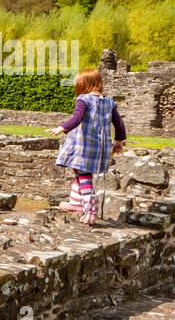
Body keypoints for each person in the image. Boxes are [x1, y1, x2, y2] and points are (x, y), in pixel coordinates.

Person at [47, 68, 126, 225]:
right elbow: (119, 124)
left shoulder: (84, 99)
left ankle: (90, 210)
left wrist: (61, 128)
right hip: (100, 148)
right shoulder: (109, 102)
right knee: (79, 171)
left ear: (82, 83)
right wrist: (118, 141)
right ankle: (75, 204)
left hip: (84, 146)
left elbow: (77, 118)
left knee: (84, 176)